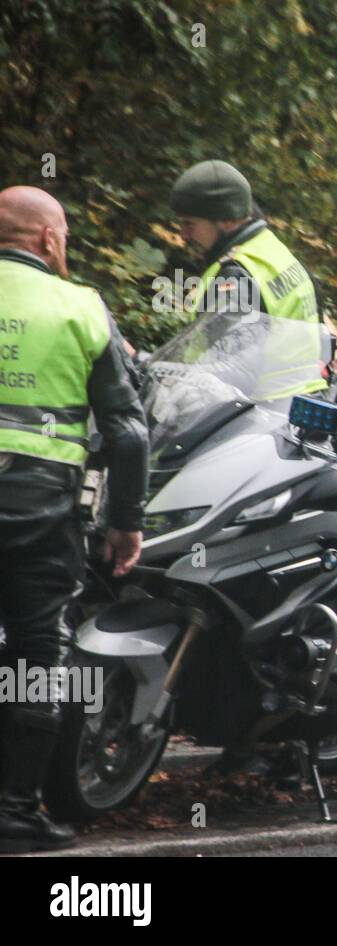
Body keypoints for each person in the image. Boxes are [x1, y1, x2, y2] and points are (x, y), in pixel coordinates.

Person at [0, 186, 148, 851]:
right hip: (39, 511)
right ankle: (15, 810)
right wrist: (125, 521)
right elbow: (129, 434)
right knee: (35, 657)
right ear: (50, 240)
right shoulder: (79, 307)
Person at [168, 159, 337, 399]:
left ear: (227, 219)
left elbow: (225, 375)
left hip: (255, 418)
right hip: (301, 406)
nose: (183, 235)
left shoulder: (235, 278)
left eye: (190, 224)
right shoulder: (272, 250)